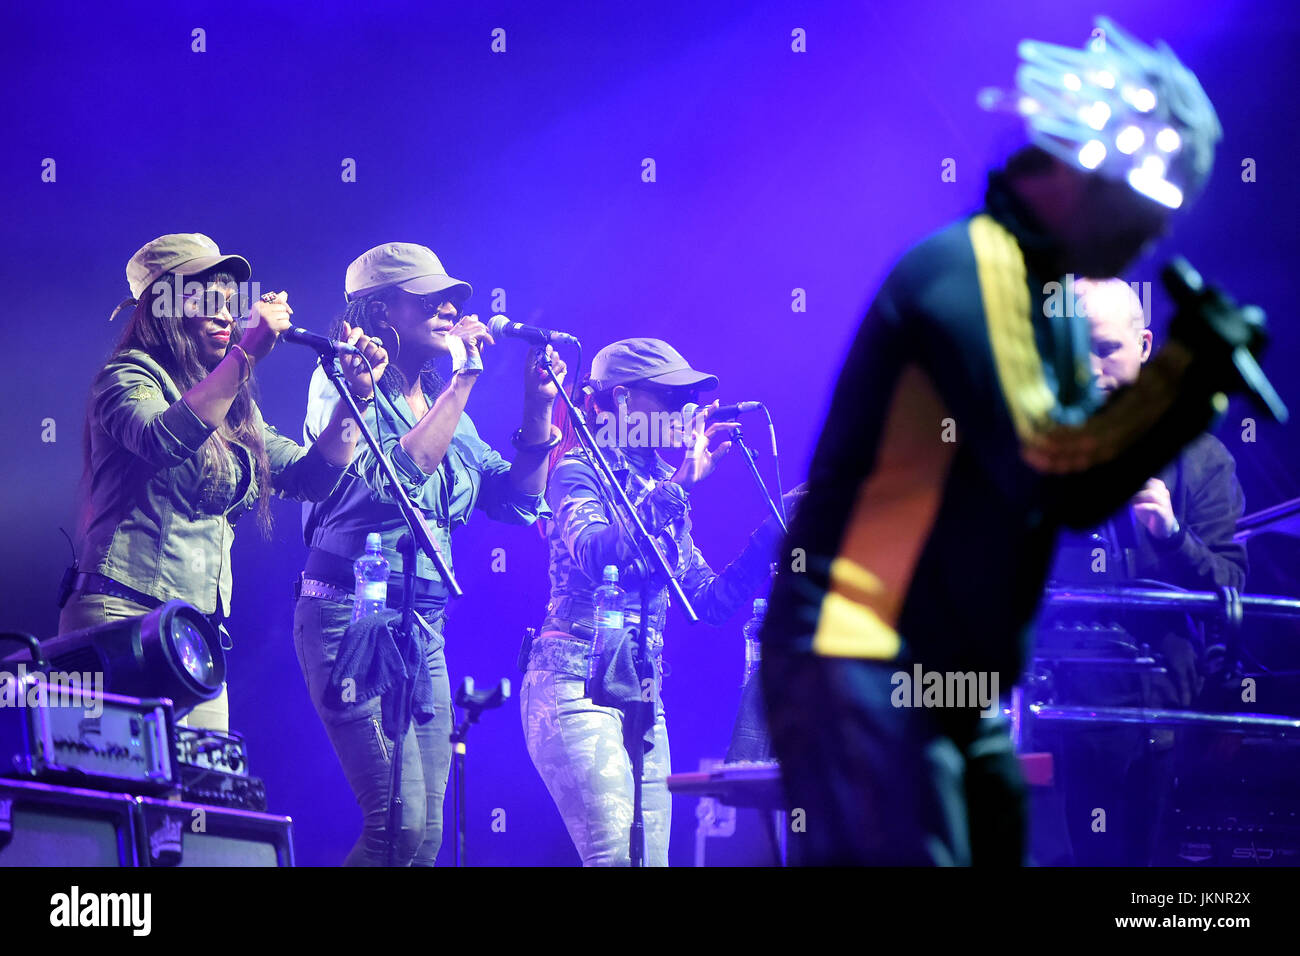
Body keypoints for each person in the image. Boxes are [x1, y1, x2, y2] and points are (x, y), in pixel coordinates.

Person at [759, 18, 1268, 865]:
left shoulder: (1038, 303)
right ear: (1087, 178)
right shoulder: (972, 276)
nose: (1154, 242)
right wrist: (1185, 382)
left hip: (954, 676)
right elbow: (1058, 477)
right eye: (1150, 210)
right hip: (859, 659)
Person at [293, 241, 562, 867]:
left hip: (422, 626)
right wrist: (466, 380)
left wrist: (538, 404)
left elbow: (514, 500)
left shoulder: (441, 400)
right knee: (397, 825)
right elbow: (402, 478)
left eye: (452, 299)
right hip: (351, 613)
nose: (449, 308)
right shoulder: (339, 382)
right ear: (382, 311)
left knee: (428, 838)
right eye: (429, 298)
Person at [60, 233, 372, 732]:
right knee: (119, 788)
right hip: (118, 615)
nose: (227, 316)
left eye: (229, 304)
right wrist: (245, 355)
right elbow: (163, 438)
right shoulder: (125, 379)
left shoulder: (233, 408)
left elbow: (312, 477)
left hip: (193, 632)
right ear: (161, 310)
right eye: (205, 301)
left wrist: (355, 401)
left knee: (204, 793)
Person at [520, 338, 791, 866]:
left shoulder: (659, 483)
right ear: (622, 401)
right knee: (616, 860)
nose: (684, 410)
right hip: (575, 683)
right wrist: (680, 483)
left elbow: (708, 603)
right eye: (670, 397)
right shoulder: (577, 469)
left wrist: (775, 531)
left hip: (642, 691)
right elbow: (599, 557)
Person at [1048, 277, 1247, 866]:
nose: (1088, 368)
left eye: (1106, 348)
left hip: (1164, 727)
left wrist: (1170, 535)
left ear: (1144, 347)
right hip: (1052, 723)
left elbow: (1233, 589)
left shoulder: (1203, 460)